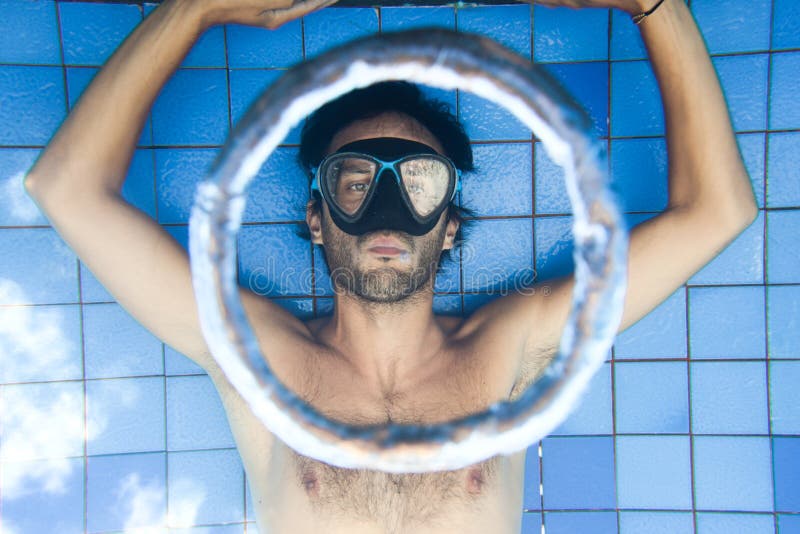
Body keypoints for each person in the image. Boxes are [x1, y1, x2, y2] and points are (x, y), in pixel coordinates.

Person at [24, 0, 757, 531]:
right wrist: (193, 9)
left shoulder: (511, 345)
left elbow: (715, 215)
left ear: (447, 228)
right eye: (353, 181)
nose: (385, 211)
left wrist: (656, 5)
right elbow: (65, 189)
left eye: (416, 183)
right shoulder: (257, 350)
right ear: (317, 219)